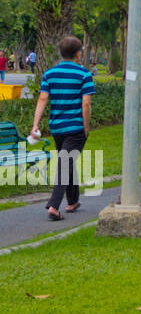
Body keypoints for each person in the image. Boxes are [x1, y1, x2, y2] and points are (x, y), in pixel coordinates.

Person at [28, 36, 94, 221]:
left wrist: (35, 125)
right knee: (66, 163)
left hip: (57, 127)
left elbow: (42, 99)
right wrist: (86, 127)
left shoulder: (50, 74)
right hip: (75, 127)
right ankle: (54, 206)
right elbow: (86, 104)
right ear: (79, 53)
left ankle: (72, 201)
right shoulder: (84, 74)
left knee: (67, 161)